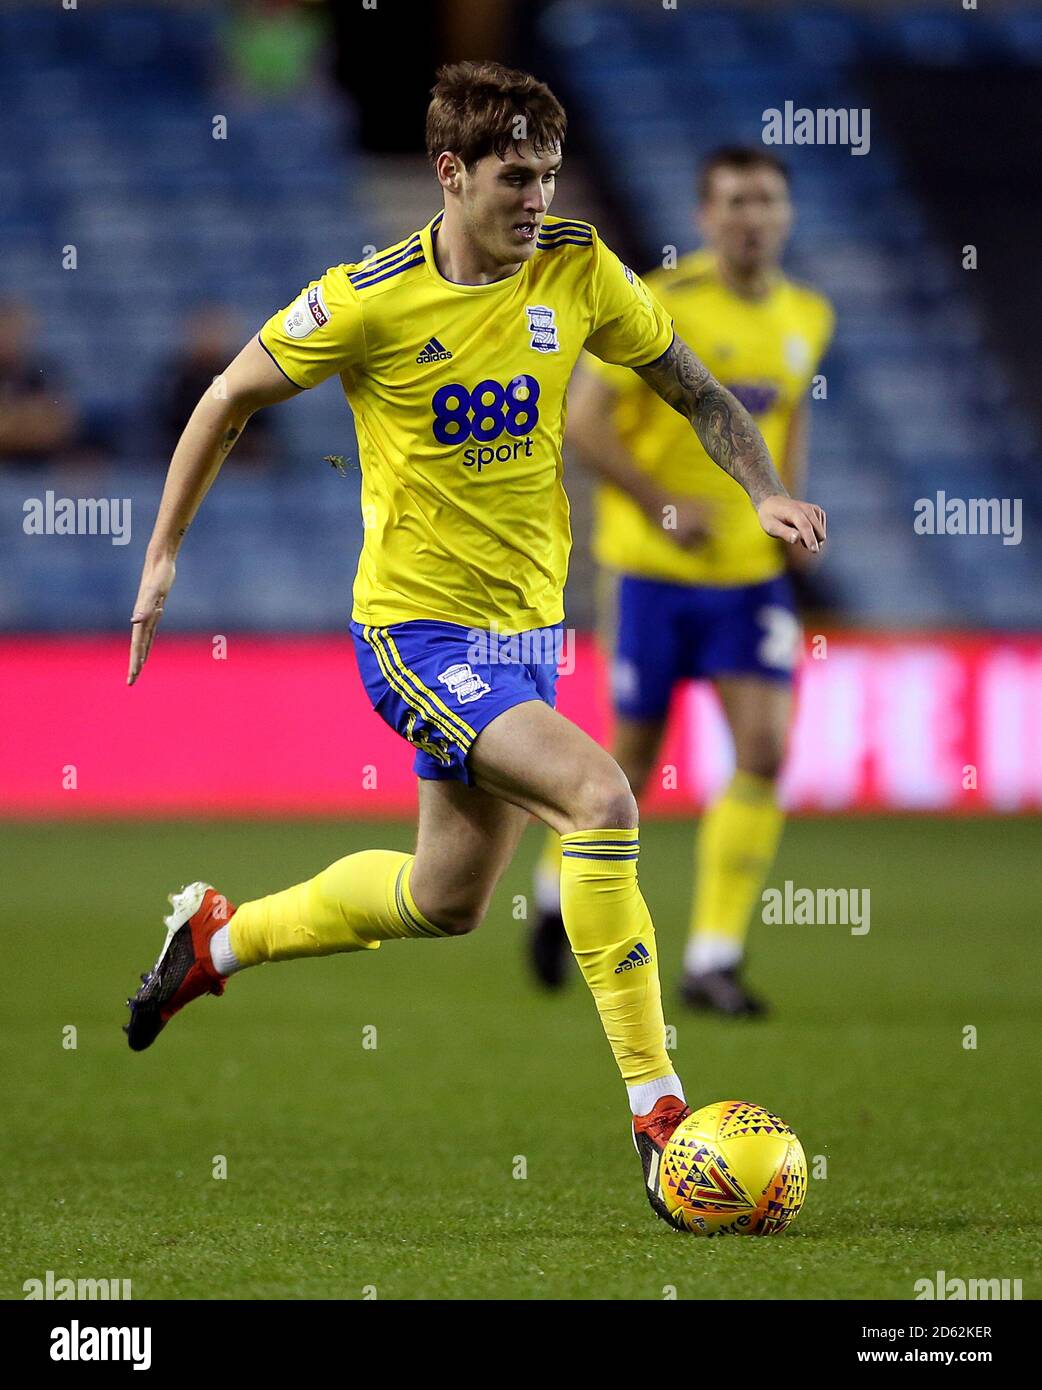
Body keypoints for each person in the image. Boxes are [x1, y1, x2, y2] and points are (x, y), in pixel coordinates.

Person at [123, 66, 825, 1228]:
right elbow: (224, 400)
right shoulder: (366, 298)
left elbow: (694, 388)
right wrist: (161, 556)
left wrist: (761, 488)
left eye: (549, 174)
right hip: (415, 632)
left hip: (528, 632)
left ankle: (218, 938)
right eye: (514, 178)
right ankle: (659, 1114)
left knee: (446, 897)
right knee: (600, 796)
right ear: (449, 173)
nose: (537, 199)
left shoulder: (577, 266)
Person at [529, 148, 834, 1017]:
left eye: (768, 200)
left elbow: (788, 415)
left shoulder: (808, 313)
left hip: (748, 576)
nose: (753, 217)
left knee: (765, 751)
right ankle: (554, 893)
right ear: (704, 216)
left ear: (787, 214)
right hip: (653, 572)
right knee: (629, 765)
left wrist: (790, 508)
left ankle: (712, 958)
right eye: (735, 201)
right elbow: (583, 424)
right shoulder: (663, 303)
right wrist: (665, 504)